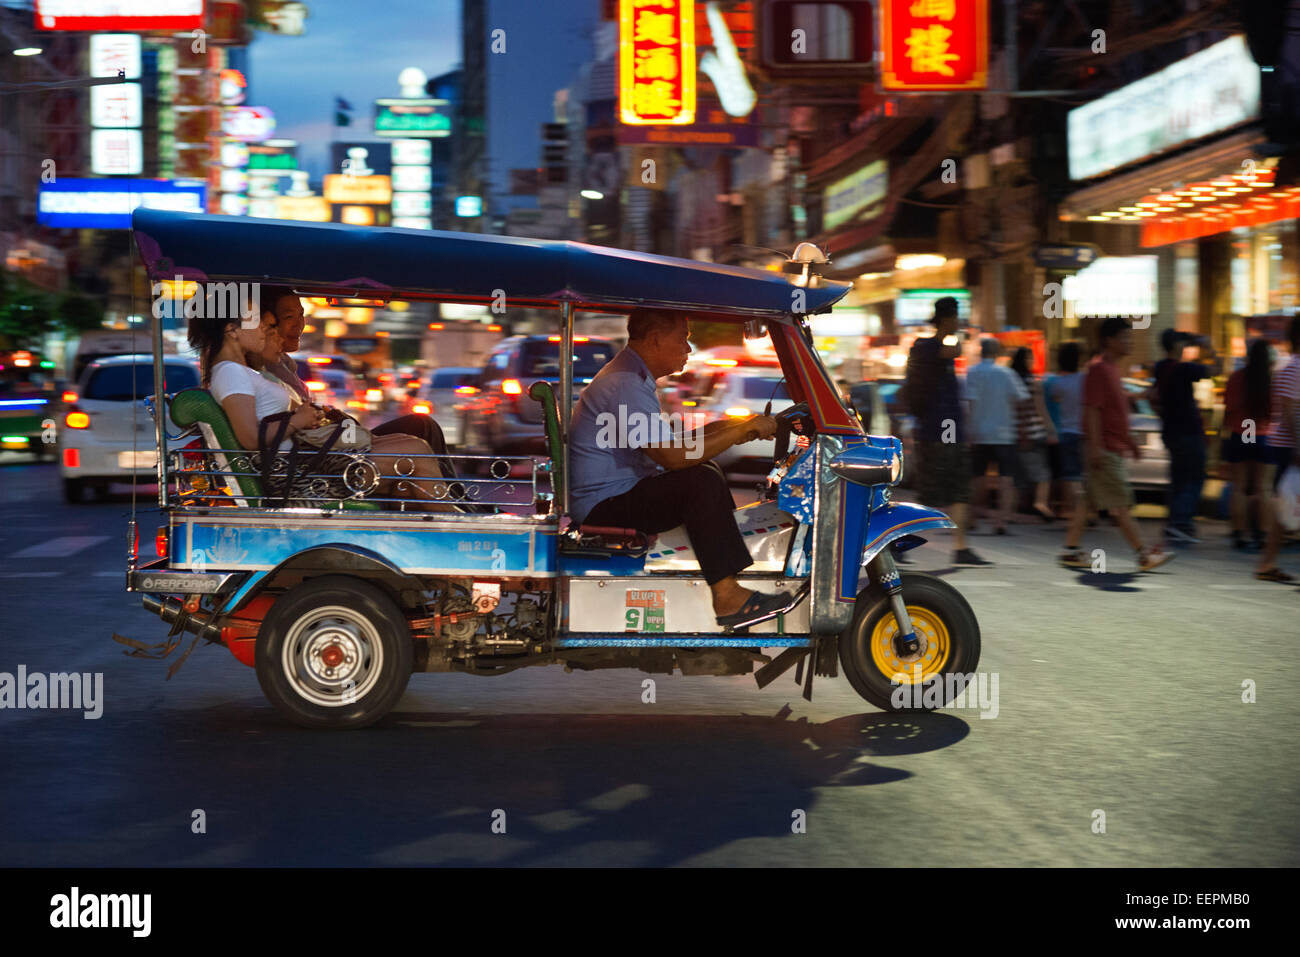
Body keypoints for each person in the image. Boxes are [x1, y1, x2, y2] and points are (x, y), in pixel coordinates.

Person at [569, 308, 786, 628]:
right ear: (656, 340)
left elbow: (670, 443)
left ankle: (724, 576)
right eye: (683, 339)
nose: (688, 349)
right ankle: (726, 595)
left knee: (706, 470)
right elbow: (673, 458)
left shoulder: (632, 377)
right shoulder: (626, 384)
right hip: (603, 504)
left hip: (615, 493)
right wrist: (740, 431)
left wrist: (726, 429)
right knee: (699, 481)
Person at [187, 304, 448, 511]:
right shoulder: (230, 373)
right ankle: (454, 528)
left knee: (409, 442)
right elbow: (249, 438)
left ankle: (449, 521)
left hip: (308, 464)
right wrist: (298, 420)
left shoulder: (238, 371)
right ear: (232, 330)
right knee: (416, 451)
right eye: (258, 321)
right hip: (302, 477)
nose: (267, 330)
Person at [255, 286, 451, 457]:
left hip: (336, 441)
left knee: (420, 428)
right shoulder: (256, 369)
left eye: (301, 315)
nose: (299, 324)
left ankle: (454, 497)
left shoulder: (283, 364)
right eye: (289, 317)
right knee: (420, 431)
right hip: (325, 453)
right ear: (266, 324)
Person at [1060, 317, 1174, 572]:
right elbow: (1092, 410)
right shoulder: (1099, 369)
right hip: (1105, 449)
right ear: (1108, 341)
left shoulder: (1111, 369)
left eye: (1130, 336)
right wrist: (1096, 448)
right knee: (1121, 504)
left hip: (1111, 446)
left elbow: (1116, 410)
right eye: (1124, 337)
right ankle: (1144, 556)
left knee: (1088, 502)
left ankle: (1069, 550)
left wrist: (1130, 441)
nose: (1130, 341)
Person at [902, 296, 989, 565]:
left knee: (957, 489)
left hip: (944, 431)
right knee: (934, 492)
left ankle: (960, 547)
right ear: (947, 318)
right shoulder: (928, 346)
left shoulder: (933, 346)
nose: (958, 323)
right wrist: (959, 333)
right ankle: (898, 542)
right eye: (955, 317)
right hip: (936, 431)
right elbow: (955, 350)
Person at [1151, 328, 1215, 544]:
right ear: (1177, 346)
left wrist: (1164, 415)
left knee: (1178, 478)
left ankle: (1174, 523)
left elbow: (1153, 398)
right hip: (1188, 431)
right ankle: (1181, 523)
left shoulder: (1160, 368)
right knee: (1195, 477)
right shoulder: (1185, 369)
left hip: (1170, 432)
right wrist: (1207, 346)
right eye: (1182, 343)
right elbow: (1214, 369)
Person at [965, 337, 1029, 535]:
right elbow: (1022, 398)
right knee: (1006, 478)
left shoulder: (973, 372)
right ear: (996, 353)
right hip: (1004, 433)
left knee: (977, 477)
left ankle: (973, 516)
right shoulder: (1006, 373)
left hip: (980, 432)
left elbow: (970, 402)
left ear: (981, 352)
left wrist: (970, 430)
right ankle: (1001, 521)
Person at [1255, 316, 1300, 582]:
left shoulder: (1289, 366)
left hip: (1287, 445)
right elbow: (1290, 411)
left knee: (1285, 509)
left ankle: (1266, 563)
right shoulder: (1294, 367)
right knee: (1285, 508)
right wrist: (1298, 446)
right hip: (1289, 446)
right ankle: (1265, 563)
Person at [1222, 339, 1274, 551]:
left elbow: (1229, 409)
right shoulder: (1270, 380)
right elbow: (1274, 413)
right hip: (1263, 435)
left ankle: (1239, 534)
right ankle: (1262, 534)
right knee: (1263, 488)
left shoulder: (1236, 378)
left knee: (1240, 488)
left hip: (1241, 433)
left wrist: (1225, 434)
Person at [1011, 345, 1059, 521]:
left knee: (1019, 474)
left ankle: (1017, 508)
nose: (1032, 361)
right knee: (1043, 473)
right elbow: (1041, 409)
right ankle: (1040, 503)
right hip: (1033, 432)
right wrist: (1051, 430)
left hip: (1014, 433)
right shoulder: (1033, 381)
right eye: (1030, 358)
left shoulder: (1011, 380)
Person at [1044, 341, 1085, 525]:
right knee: (1080, 474)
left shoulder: (1056, 383)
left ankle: (1073, 509)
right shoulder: (1085, 380)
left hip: (1065, 431)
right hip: (1084, 433)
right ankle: (1081, 509)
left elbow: (1052, 399)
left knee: (1070, 475)